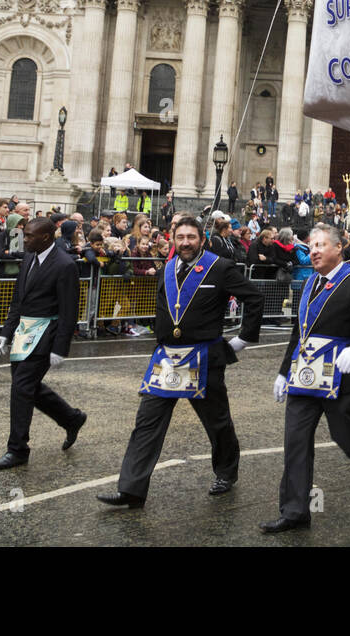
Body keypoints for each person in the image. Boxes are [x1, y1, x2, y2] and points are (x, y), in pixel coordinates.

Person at [97, 216, 264, 507]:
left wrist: (243, 339)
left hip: (204, 357)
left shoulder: (220, 267)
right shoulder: (167, 269)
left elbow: (254, 298)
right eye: (180, 237)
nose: (185, 242)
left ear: (202, 239)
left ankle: (226, 472)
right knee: (147, 423)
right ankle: (132, 489)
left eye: (191, 237)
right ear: (174, 239)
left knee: (217, 422)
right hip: (167, 359)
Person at [261, 224, 350, 532]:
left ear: (339, 248)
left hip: (342, 376)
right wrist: (284, 372)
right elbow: (300, 332)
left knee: (348, 440)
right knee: (295, 442)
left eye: (322, 245)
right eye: (311, 246)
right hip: (305, 376)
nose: (314, 251)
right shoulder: (309, 283)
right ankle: (295, 511)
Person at [0, 217, 87, 470]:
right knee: (27, 387)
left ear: (45, 237)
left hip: (47, 334)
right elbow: (18, 300)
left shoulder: (65, 265)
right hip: (24, 332)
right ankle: (71, 418)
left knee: (22, 386)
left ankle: (18, 449)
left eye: (30, 236)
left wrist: (60, 348)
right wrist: (6, 332)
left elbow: (69, 310)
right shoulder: (29, 258)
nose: (25, 239)